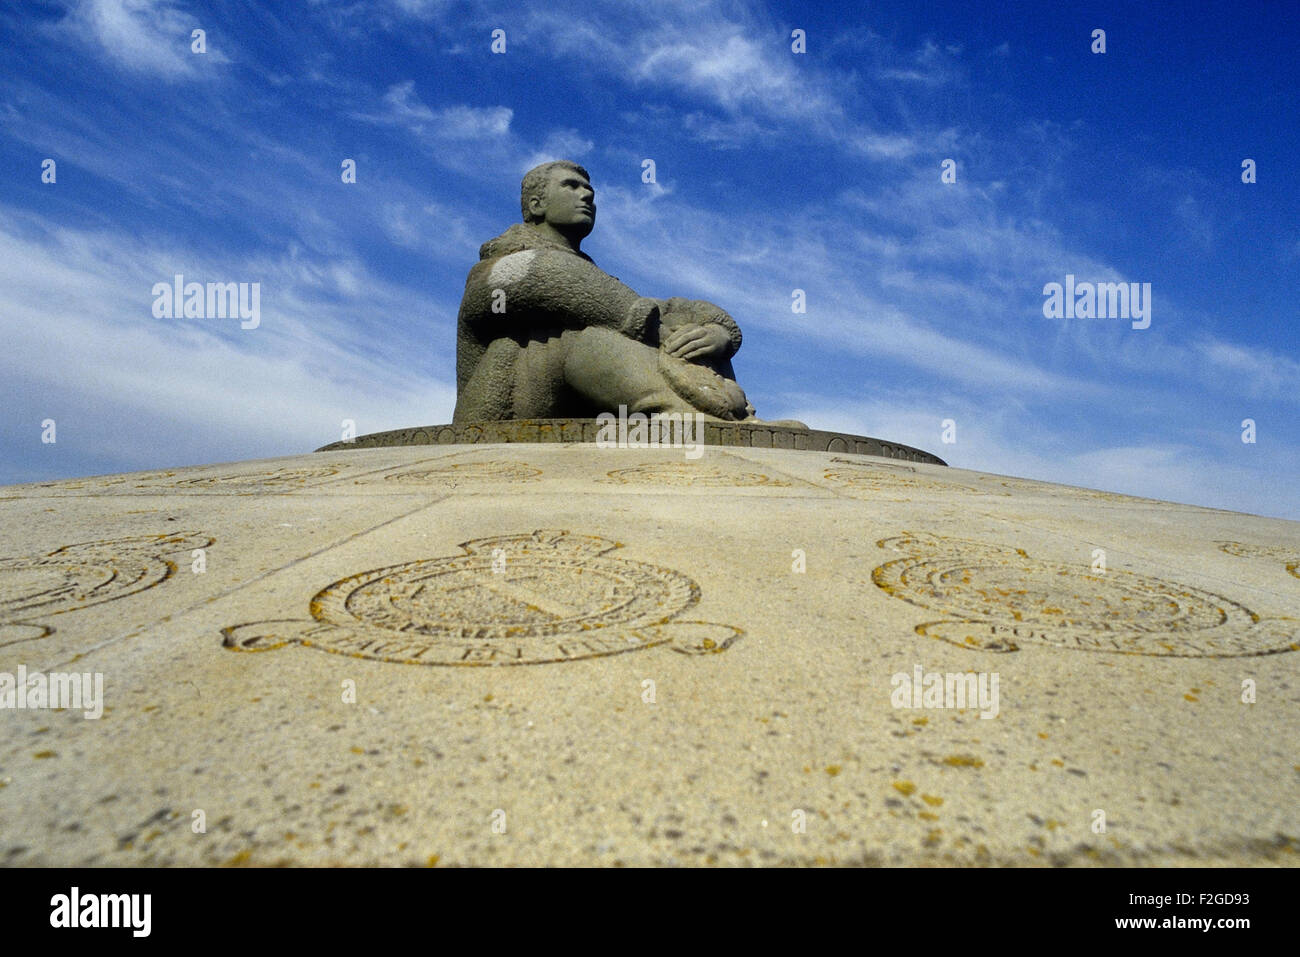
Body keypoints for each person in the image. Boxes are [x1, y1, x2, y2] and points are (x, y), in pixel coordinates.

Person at [453, 160, 780, 425]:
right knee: (581, 339)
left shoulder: (597, 279)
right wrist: (654, 327)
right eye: (571, 186)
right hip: (509, 413)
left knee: (670, 335)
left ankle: (721, 413)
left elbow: (654, 306)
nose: (587, 195)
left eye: (589, 189)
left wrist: (718, 333)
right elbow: (551, 278)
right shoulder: (501, 266)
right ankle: (682, 413)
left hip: (584, 408)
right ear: (536, 204)